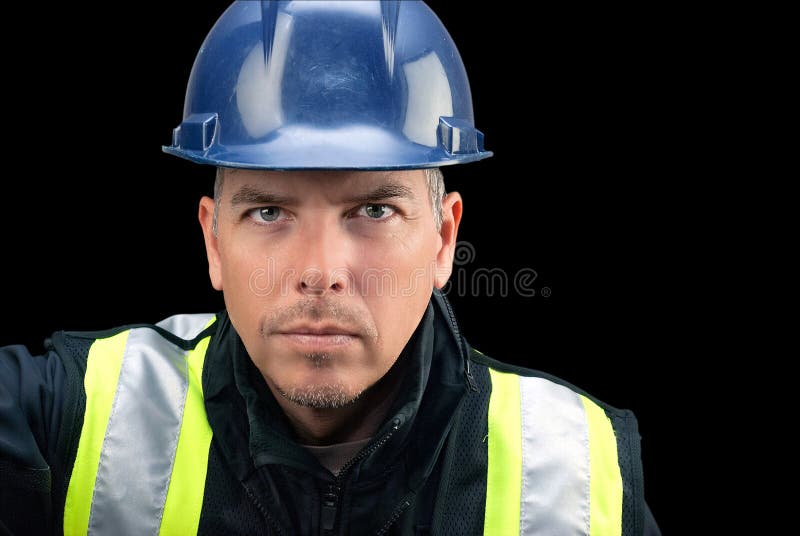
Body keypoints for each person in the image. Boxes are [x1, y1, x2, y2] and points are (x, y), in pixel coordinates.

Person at [0, 1, 660, 534]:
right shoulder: (72, 410)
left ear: (441, 240)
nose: (321, 271)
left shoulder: (575, 467)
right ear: (212, 242)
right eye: (267, 212)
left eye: (373, 210)